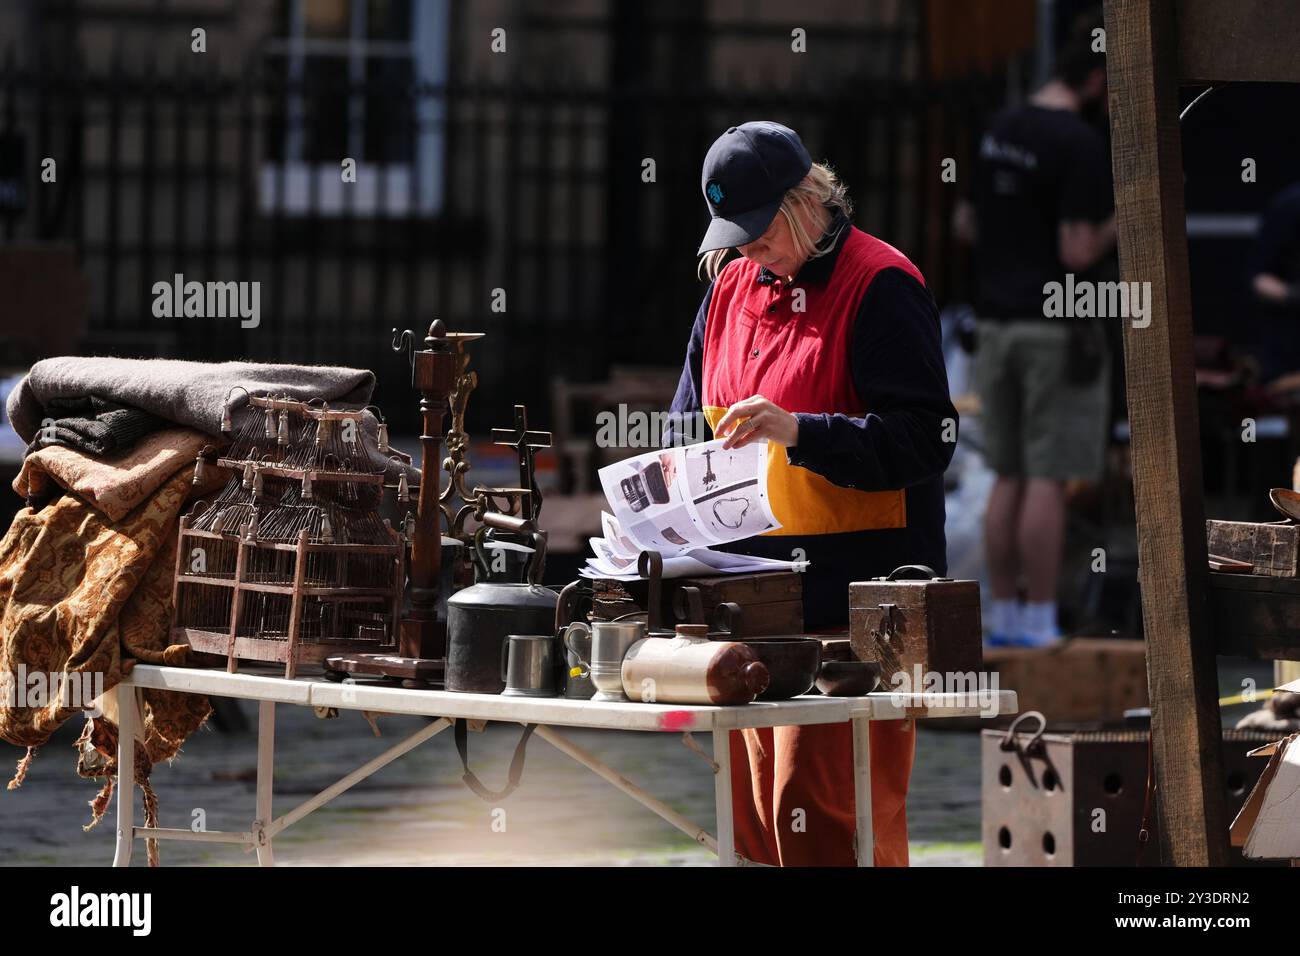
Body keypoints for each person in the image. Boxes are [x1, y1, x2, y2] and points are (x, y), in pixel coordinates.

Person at [666, 121, 957, 866]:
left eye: (760, 231)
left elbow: (928, 441)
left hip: (856, 605)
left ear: (808, 200)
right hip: (747, 600)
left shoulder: (880, 283)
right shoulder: (730, 285)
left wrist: (803, 433)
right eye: (735, 235)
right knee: (757, 823)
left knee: (823, 813)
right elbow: (682, 420)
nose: (747, 249)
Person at [954, 20, 1115, 647]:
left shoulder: (1002, 128)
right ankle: (1041, 618)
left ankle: (1006, 617)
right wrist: (1125, 221)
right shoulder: (1078, 143)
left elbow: (967, 223)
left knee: (1006, 473)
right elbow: (1077, 250)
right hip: (1057, 329)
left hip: (994, 324)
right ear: (1097, 80)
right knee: (1047, 476)